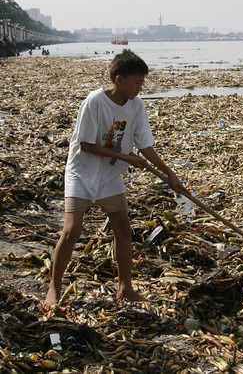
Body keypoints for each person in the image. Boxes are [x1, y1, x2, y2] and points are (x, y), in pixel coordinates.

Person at [44, 49, 183, 309]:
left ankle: (125, 288)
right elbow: (85, 144)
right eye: (136, 82)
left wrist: (169, 173)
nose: (139, 88)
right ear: (118, 79)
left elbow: (145, 144)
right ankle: (54, 288)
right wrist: (128, 158)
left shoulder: (136, 105)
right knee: (72, 231)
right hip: (82, 171)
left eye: (142, 83)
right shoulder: (95, 101)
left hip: (109, 175)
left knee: (122, 230)